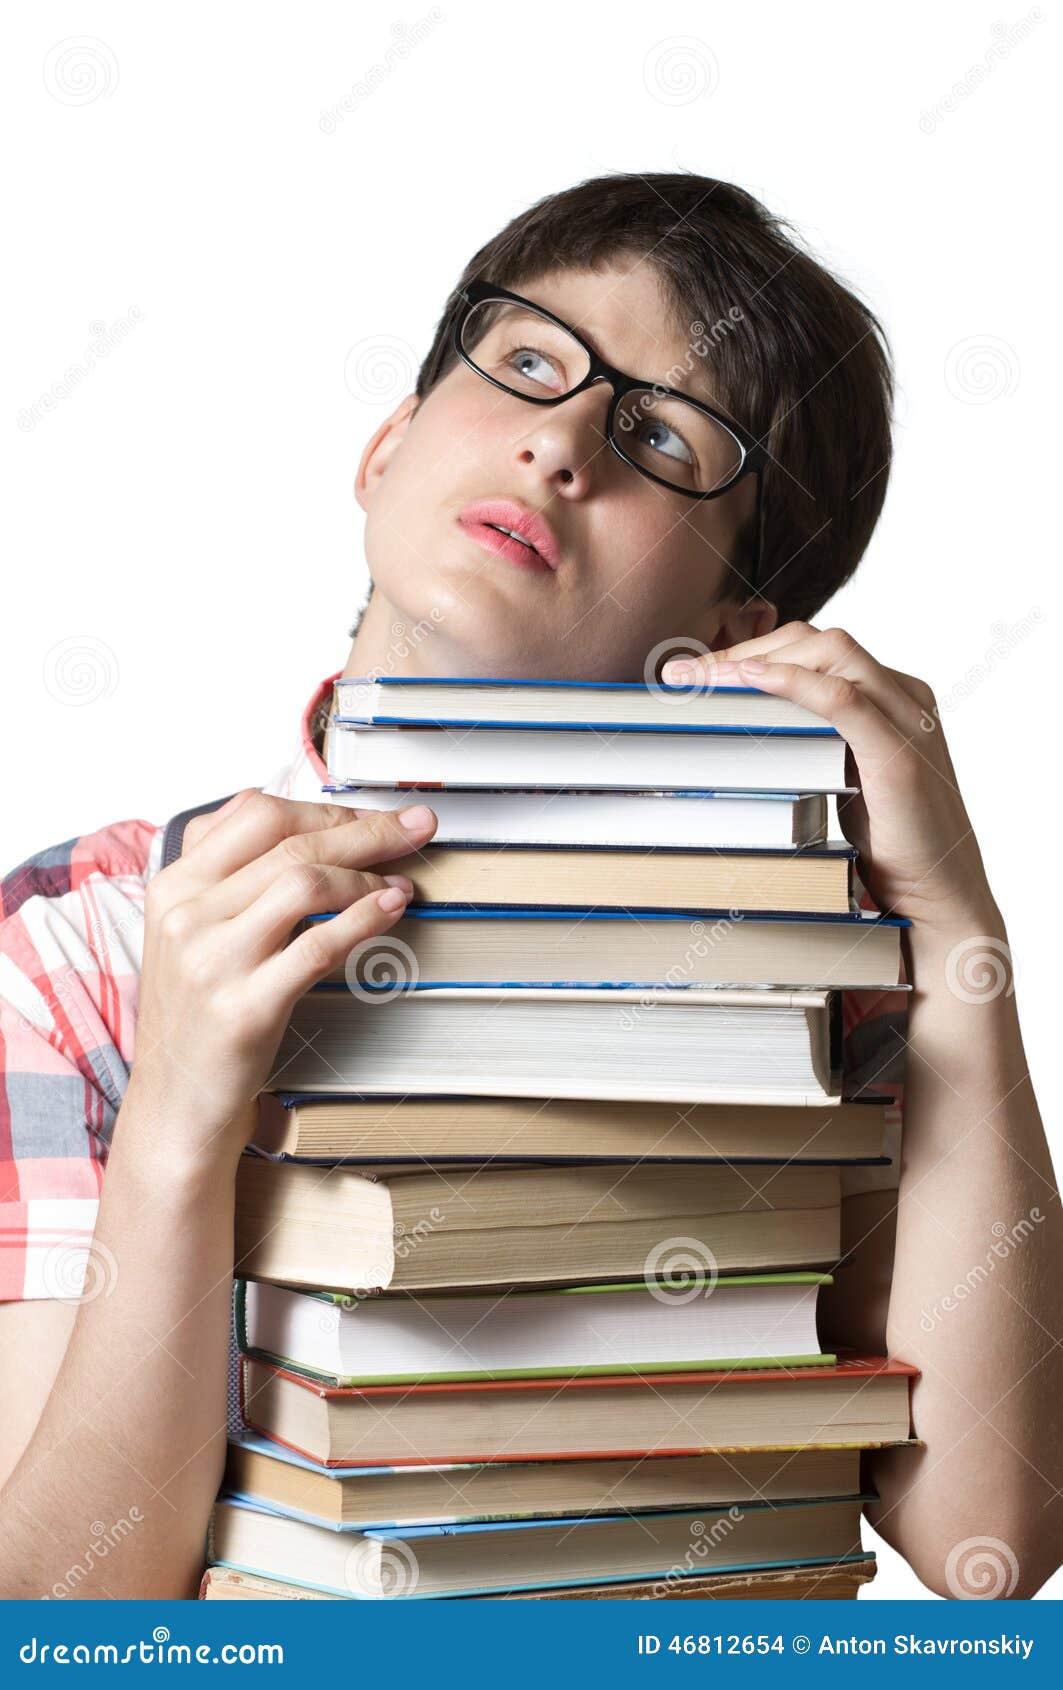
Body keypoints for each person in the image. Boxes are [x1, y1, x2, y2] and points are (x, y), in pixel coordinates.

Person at [0, 173, 1059, 1600]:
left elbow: (991, 1538)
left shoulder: (816, 981)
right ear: (387, 447)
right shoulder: (79, 937)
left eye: (663, 436)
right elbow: (58, 1609)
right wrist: (183, 1115)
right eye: (529, 365)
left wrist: (954, 924)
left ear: (740, 632)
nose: (562, 444)